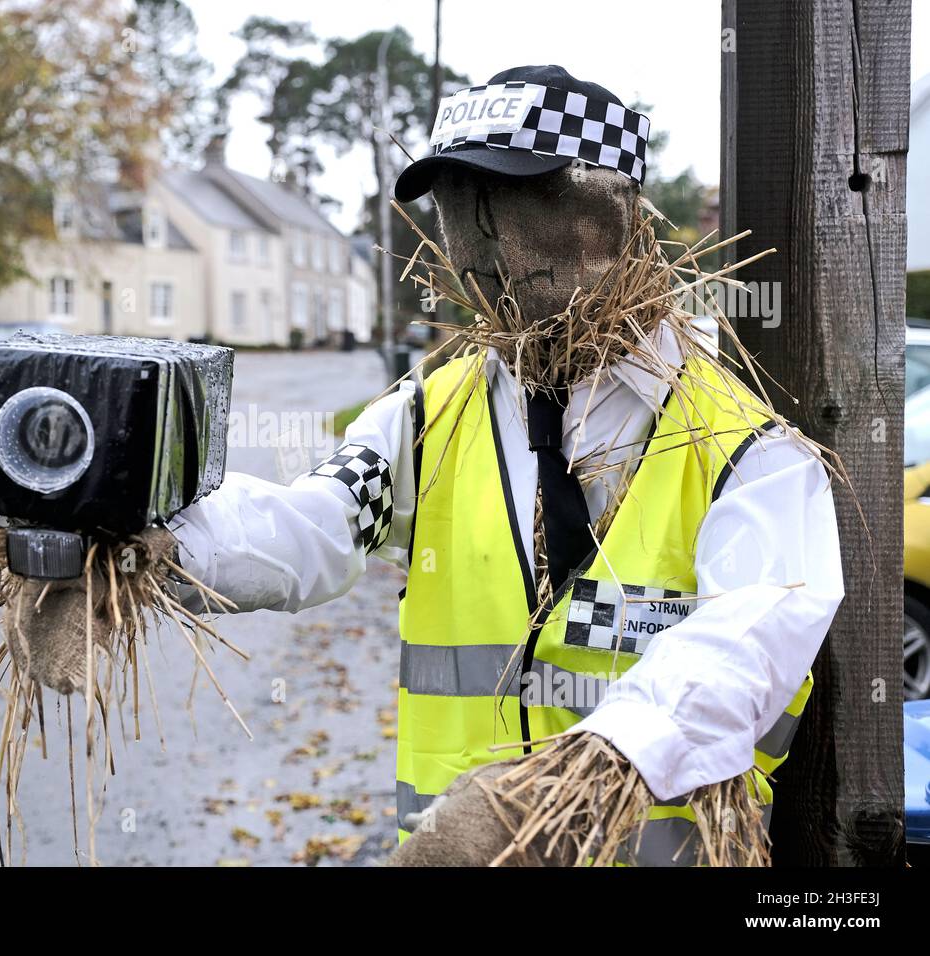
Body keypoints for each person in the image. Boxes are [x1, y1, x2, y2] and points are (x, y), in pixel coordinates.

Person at [169, 65, 843, 864]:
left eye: (518, 202)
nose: (485, 244)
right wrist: (155, 545)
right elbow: (314, 524)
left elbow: (750, 643)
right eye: (462, 207)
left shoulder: (744, 450)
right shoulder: (429, 416)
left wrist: (568, 785)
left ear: (611, 214)